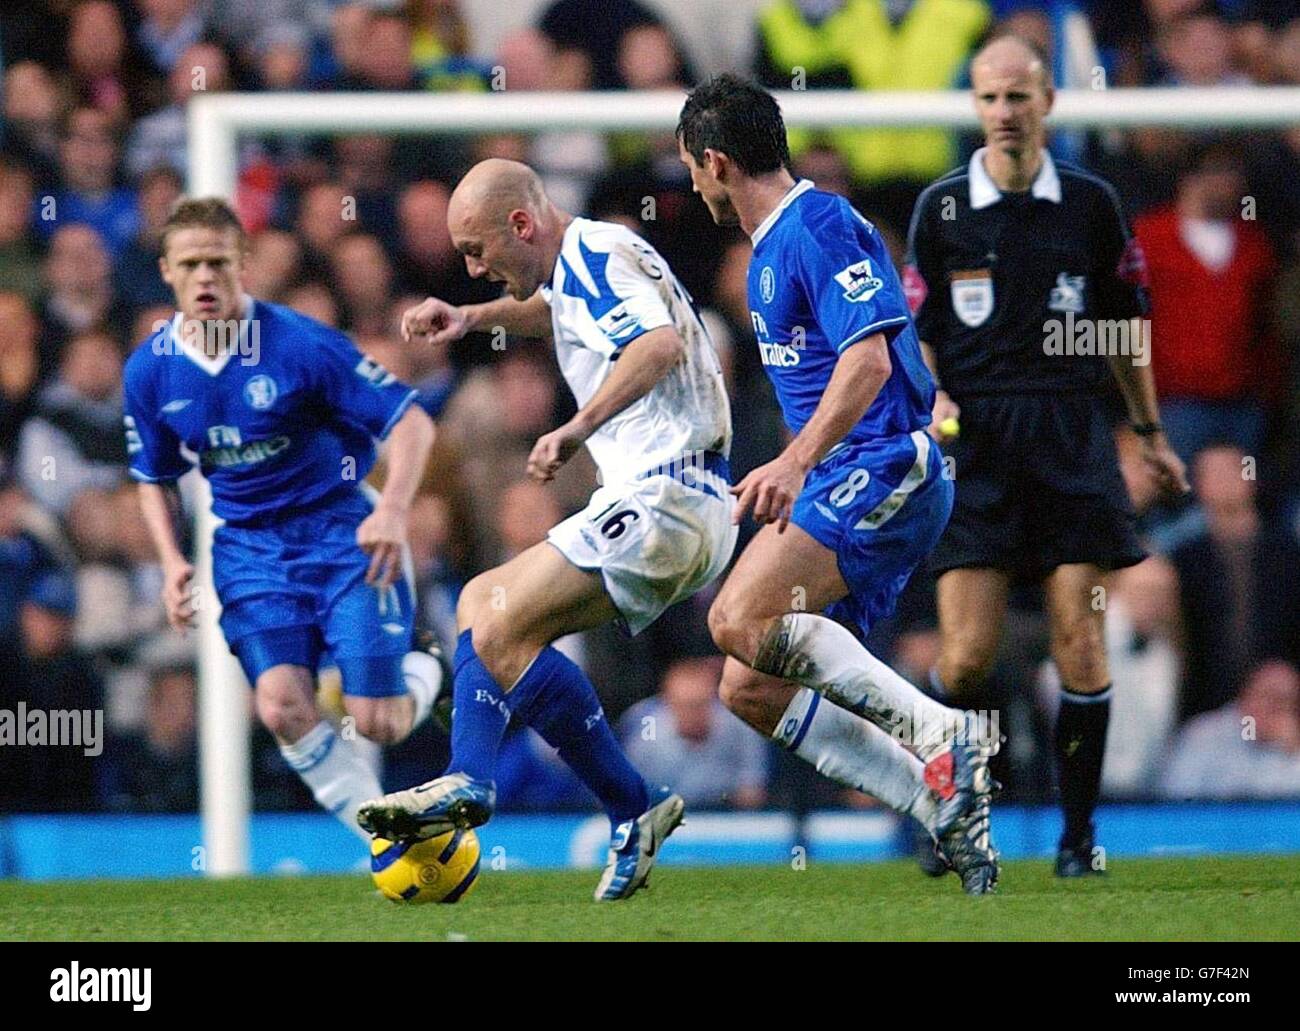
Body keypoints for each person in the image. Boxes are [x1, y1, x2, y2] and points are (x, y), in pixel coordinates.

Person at [356, 158, 735, 901]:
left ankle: (471, 779)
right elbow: (558, 309)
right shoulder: (587, 261)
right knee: (489, 620)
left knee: (490, 612)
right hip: (678, 497)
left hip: (669, 492)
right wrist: (472, 318)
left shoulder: (596, 256)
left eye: (477, 250)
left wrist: (577, 426)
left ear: (522, 224)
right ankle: (633, 808)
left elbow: (656, 346)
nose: (473, 266)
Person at [676, 75, 999, 894]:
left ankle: (945, 735)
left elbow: (868, 358)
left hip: (884, 465)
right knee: (748, 683)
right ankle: (937, 805)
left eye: (690, 168)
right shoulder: (769, 252)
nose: (689, 185)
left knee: (734, 615)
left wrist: (793, 458)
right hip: (848, 474)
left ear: (716, 161)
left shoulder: (816, 228)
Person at [903, 36, 1189, 877]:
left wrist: (1149, 431)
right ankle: (960, 812)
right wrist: (936, 397)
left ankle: (1075, 838)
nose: (1004, 113)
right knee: (962, 656)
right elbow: (915, 332)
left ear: (1049, 103)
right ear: (976, 107)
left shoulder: (1092, 206)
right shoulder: (943, 209)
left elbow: (1124, 328)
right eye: (990, 98)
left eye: (1019, 98)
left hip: (1068, 434)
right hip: (978, 444)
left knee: (1081, 641)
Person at [122, 197, 443, 845]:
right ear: (166, 272)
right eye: (191, 265)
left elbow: (411, 420)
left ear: (244, 264)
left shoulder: (302, 344)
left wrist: (394, 506)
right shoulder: (150, 370)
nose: (205, 277)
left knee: (377, 720)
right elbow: (153, 476)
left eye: (218, 261)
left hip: (343, 537)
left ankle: (430, 665)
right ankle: (387, 839)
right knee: (280, 705)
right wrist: (173, 560)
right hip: (248, 550)